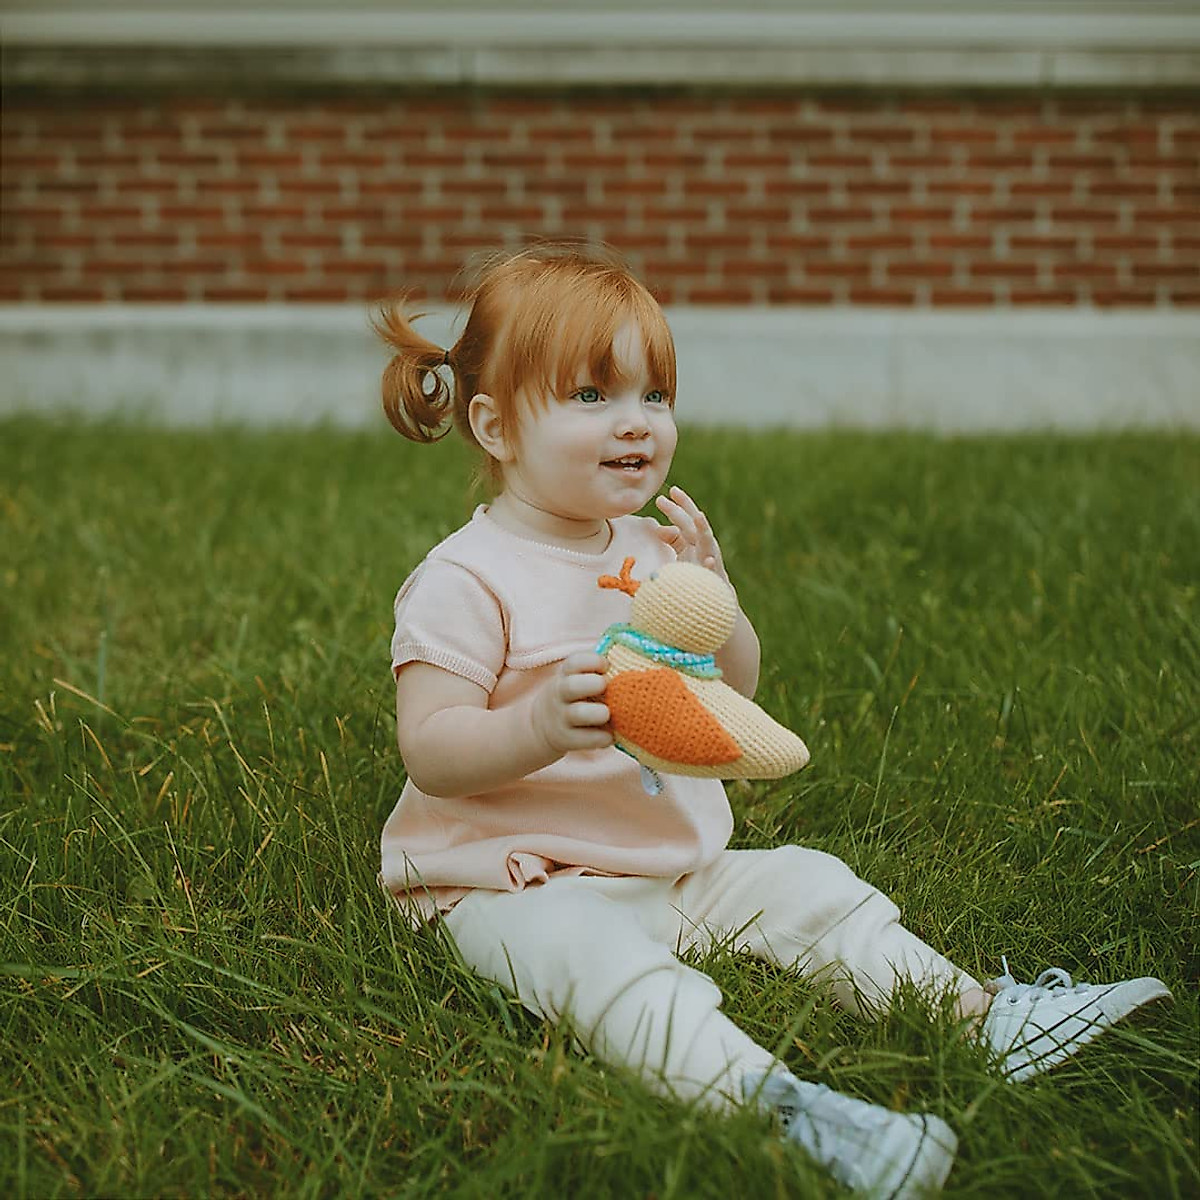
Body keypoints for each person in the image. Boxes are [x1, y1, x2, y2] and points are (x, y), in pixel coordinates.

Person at [374, 246, 1171, 1197]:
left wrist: (716, 603)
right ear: (496, 425)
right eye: (591, 396)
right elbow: (431, 747)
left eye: (654, 395)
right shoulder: (466, 579)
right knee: (599, 966)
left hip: (661, 862)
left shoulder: (650, 551)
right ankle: (784, 1111)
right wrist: (536, 727)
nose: (636, 422)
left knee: (809, 883)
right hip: (508, 885)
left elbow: (733, 690)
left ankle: (980, 1017)